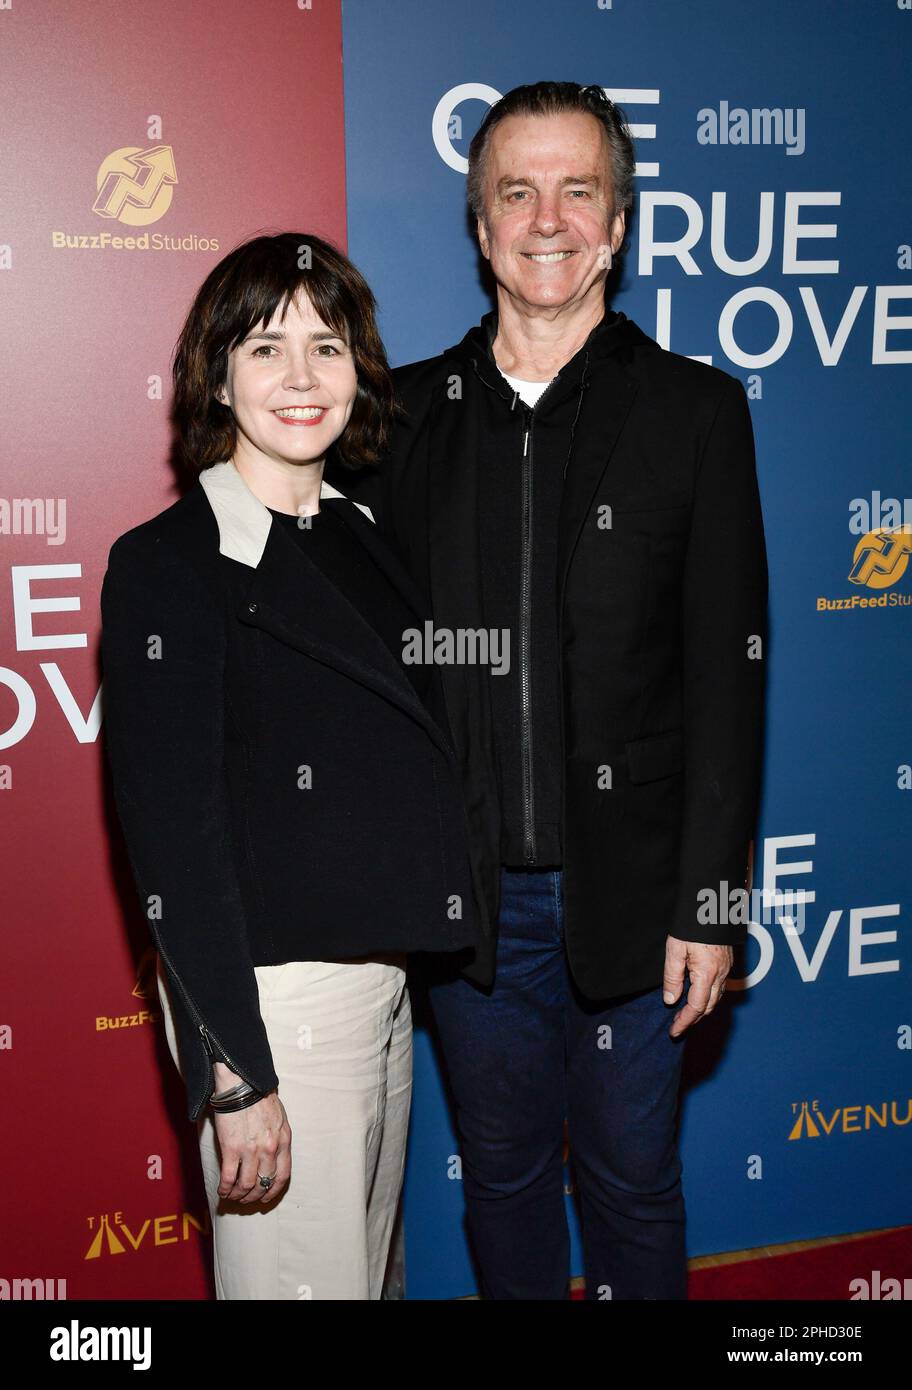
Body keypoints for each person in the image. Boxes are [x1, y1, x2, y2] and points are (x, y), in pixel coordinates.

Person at [332, 82, 768, 1299]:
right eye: (516, 191)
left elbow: (733, 677)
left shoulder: (695, 412)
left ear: (619, 224)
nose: (547, 218)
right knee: (507, 1180)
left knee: (634, 1182)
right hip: (472, 911)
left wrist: (714, 898)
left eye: (580, 190)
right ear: (480, 227)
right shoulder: (400, 422)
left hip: (635, 901)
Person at [100, 231, 478, 1300]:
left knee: (364, 1280)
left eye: (327, 345)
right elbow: (174, 837)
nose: (301, 378)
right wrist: (235, 1069)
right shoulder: (169, 566)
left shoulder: (356, 532)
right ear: (217, 373)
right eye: (266, 349)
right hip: (281, 1009)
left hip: (382, 993)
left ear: (361, 367)